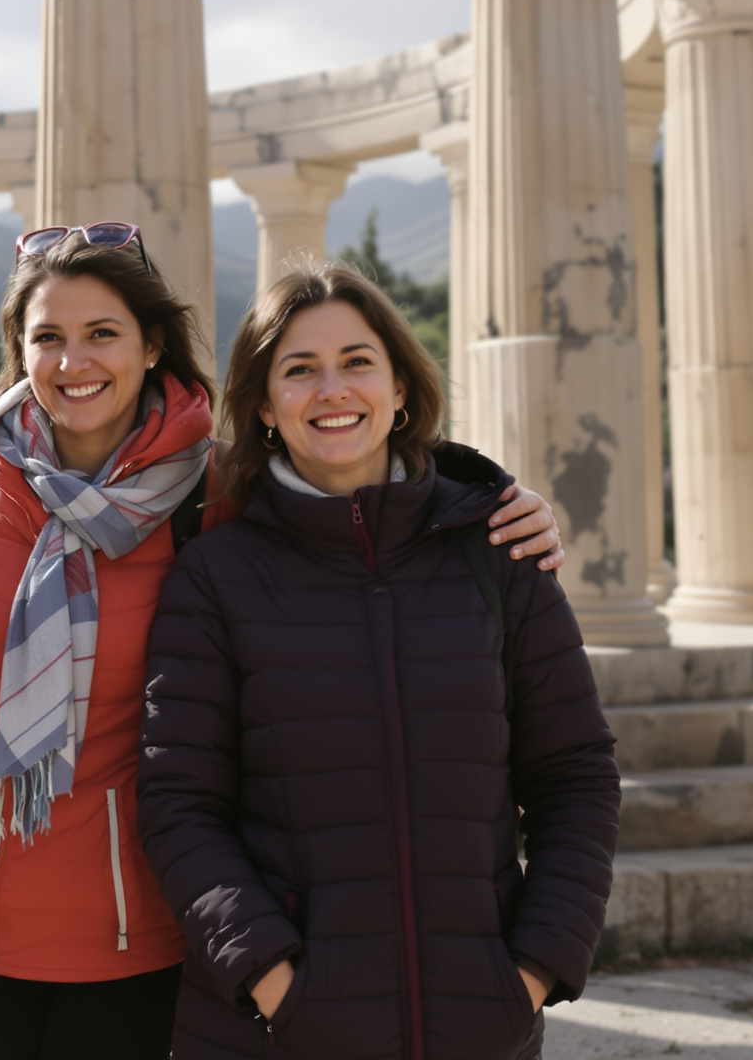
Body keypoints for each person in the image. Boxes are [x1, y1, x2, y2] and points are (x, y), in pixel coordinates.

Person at [0, 230, 564, 1058]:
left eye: (103, 332)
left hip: (139, 937)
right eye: (49, 337)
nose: (75, 360)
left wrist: (492, 499)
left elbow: (349, 473)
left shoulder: (219, 492)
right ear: (19, 350)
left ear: (153, 345)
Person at [138, 261, 620, 1059]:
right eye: (300, 370)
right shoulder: (215, 576)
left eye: (357, 362)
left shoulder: (500, 551)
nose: (332, 389)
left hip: (481, 1028)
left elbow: (576, 775)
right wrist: (275, 985)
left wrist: (534, 971)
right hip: (274, 1036)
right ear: (264, 406)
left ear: (400, 388)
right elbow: (178, 803)